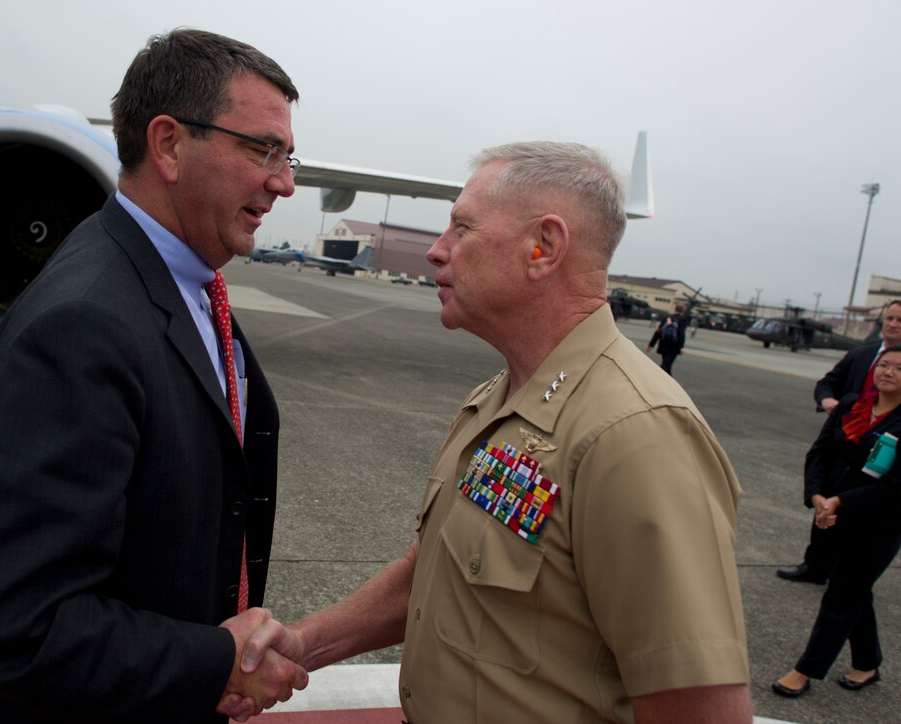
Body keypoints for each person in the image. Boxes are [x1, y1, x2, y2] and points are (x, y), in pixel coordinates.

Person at [239, 141, 752, 722]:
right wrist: (305, 644)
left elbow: (700, 708)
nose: (436, 250)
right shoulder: (498, 399)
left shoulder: (635, 434)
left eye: (462, 228)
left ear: (544, 248)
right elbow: (434, 575)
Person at [0, 29, 308, 723]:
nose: (284, 182)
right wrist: (214, 662)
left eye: (287, 157)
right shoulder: (84, 323)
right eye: (262, 150)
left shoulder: (181, 285)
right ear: (168, 145)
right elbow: (9, 624)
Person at [772, 346, 901, 698]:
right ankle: (867, 663)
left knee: (842, 594)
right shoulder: (850, 405)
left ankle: (805, 671)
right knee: (856, 591)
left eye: (899, 368)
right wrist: (816, 495)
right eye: (884, 365)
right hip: (831, 516)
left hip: (877, 525)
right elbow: (820, 453)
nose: (888, 372)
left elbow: (895, 487)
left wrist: (840, 501)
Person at [776, 299, 901, 584]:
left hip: (880, 459)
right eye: (890, 318)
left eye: (900, 320)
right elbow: (827, 383)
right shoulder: (861, 354)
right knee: (827, 508)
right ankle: (816, 567)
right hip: (845, 440)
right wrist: (828, 400)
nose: (893, 324)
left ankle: (849, 575)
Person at [646, 303, 686, 376]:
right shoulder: (681, 319)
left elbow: (658, 331)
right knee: (666, 365)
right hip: (674, 346)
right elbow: (681, 333)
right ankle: (656, 377)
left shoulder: (667, 317)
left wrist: (651, 344)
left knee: (667, 364)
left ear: (675, 309)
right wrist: (681, 347)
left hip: (663, 344)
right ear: (683, 311)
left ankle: (669, 381)